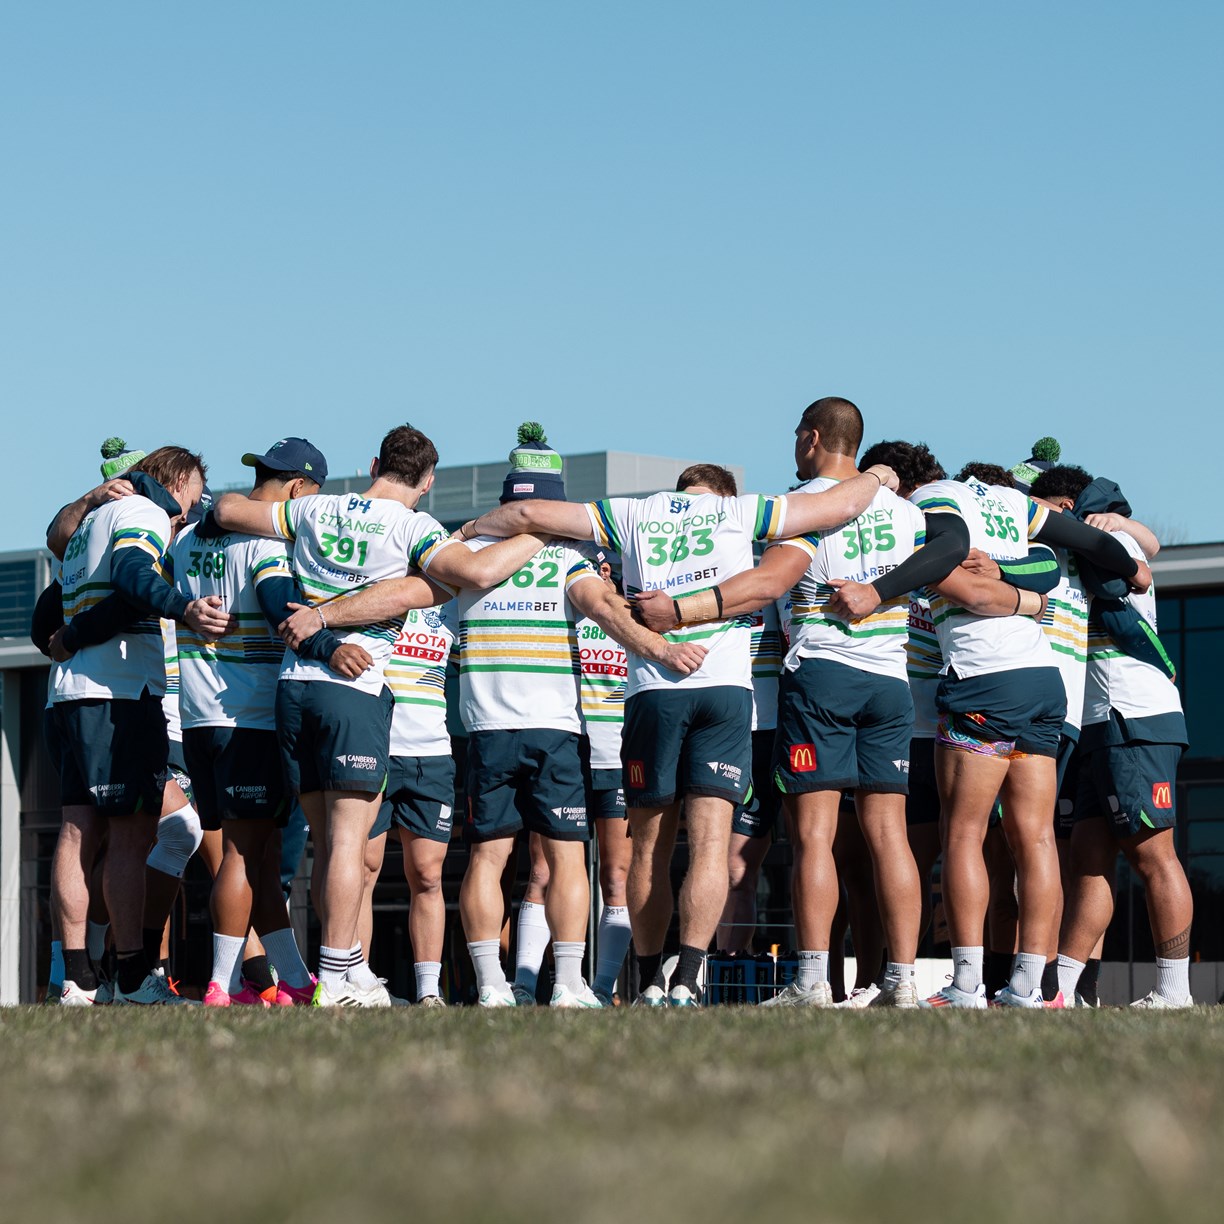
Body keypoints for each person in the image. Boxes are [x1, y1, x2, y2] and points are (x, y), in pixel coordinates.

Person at [466, 432, 899, 1006]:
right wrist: (879, 477)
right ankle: (689, 978)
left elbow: (525, 514)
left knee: (649, 848)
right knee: (712, 845)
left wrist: (471, 530)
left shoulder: (633, 513)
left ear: (680, 489)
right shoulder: (741, 512)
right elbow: (839, 505)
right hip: (723, 690)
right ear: (722, 494)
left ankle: (650, 979)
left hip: (654, 692)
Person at [214, 423, 547, 1006]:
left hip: (293, 688)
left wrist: (323, 609)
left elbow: (227, 510)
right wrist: (541, 533)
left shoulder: (316, 508)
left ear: (374, 464)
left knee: (326, 846)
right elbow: (477, 573)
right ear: (428, 481)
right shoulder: (414, 526)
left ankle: (351, 967)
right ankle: (337, 978)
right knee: (348, 844)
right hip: (353, 685)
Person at [636, 399, 929, 1008]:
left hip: (823, 675)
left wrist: (682, 611)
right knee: (889, 836)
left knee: (814, 839)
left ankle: (812, 981)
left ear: (811, 438)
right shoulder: (908, 513)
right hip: (890, 681)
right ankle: (903, 981)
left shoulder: (799, 509)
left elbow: (764, 585)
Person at [47, 446, 227, 1004]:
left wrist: (71, 636)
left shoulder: (88, 523)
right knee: (131, 836)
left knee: (77, 834)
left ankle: (75, 979)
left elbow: (55, 597)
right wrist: (183, 606)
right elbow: (131, 578)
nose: (189, 511)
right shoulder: (145, 512)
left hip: (70, 695)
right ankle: (130, 976)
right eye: (192, 495)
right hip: (120, 695)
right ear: (177, 481)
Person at [168, 439, 332, 1005]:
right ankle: (225, 983)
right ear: (298, 489)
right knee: (242, 855)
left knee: (258, 856)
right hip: (250, 717)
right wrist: (331, 641)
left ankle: (294, 980)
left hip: (198, 718)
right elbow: (283, 609)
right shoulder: (265, 542)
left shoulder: (187, 538)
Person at [1030, 467, 1192, 1007]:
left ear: (1066, 507)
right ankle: (1062, 992)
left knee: (1154, 856)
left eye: (1041, 508)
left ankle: (1174, 991)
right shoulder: (1099, 533)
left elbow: (1136, 565)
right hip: (1100, 721)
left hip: (1135, 715)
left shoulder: (1106, 538)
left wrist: (1118, 527)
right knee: (1089, 858)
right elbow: (1151, 542)